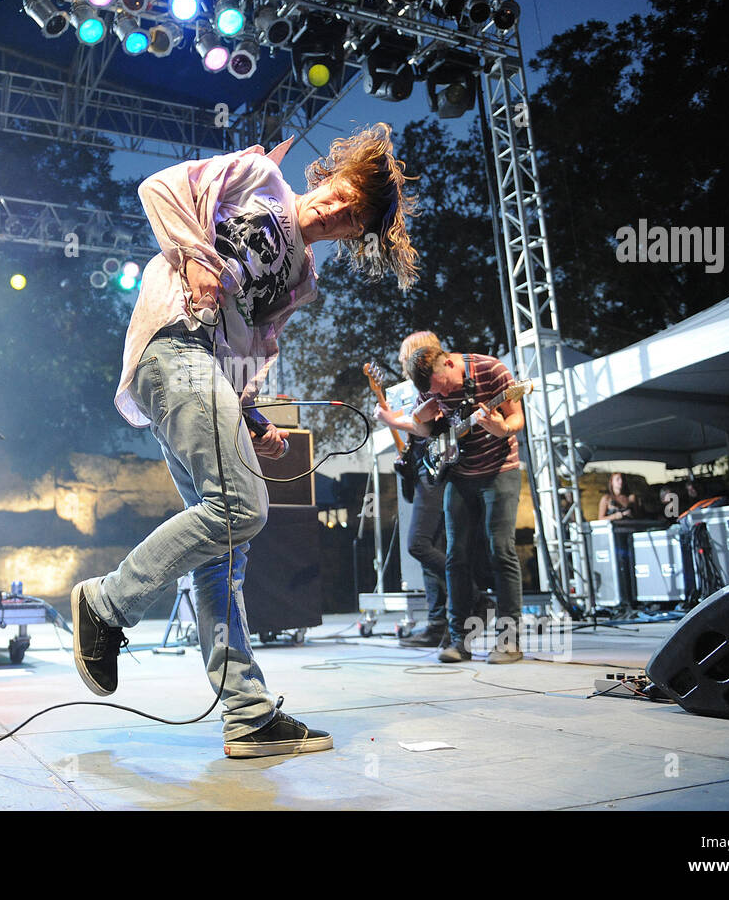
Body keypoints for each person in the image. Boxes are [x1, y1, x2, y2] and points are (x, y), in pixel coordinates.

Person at [70, 123, 418, 758]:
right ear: (329, 179)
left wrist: (253, 419)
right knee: (241, 510)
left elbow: (248, 346)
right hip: (173, 344)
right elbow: (160, 187)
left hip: (209, 372)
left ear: (351, 237)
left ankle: (248, 716)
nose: (339, 212)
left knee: (223, 554)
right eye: (344, 194)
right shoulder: (260, 177)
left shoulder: (301, 279)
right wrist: (199, 258)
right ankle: (108, 603)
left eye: (354, 220)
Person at [395, 345, 526, 664]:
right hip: (459, 475)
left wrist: (502, 428)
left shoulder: (492, 370)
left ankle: (509, 642)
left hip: (500, 470)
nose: (441, 396)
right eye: (434, 394)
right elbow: (425, 435)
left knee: (501, 549)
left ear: (450, 364)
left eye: (444, 388)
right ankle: (459, 642)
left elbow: (516, 418)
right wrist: (418, 418)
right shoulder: (430, 389)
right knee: (455, 556)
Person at [375, 331, 491, 649]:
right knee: (431, 546)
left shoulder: (434, 387)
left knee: (420, 545)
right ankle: (440, 620)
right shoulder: (426, 388)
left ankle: (476, 598)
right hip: (427, 469)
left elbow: (429, 428)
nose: (401, 362)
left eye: (405, 355)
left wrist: (389, 419)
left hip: (437, 470)